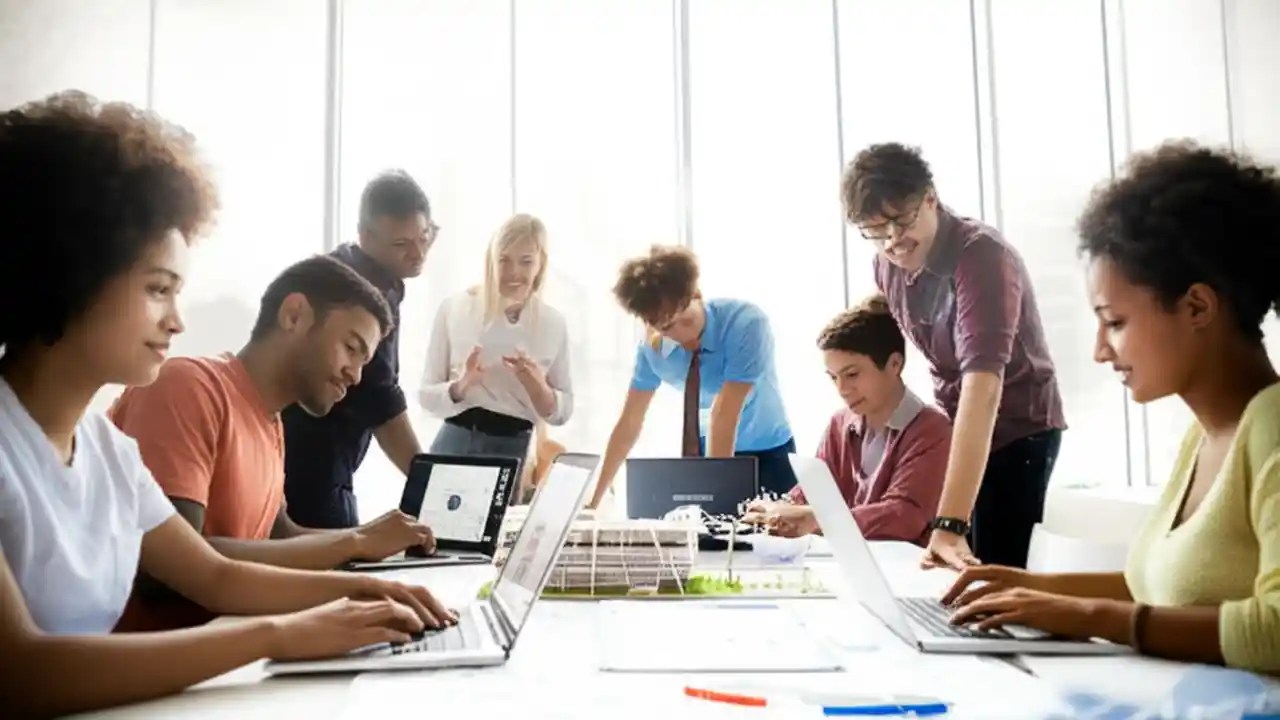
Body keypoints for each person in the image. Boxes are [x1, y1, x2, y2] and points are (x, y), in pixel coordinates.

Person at [0, 91, 454, 718]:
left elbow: (214, 573)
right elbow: (18, 671)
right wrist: (277, 633)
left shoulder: (106, 452)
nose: (177, 320)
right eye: (159, 289)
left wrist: (368, 588)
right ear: (68, 271)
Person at [943, 142, 1280, 675]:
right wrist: (1029, 586)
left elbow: (1275, 628)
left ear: (1197, 306)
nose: (1100, 350)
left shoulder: (1273, 429)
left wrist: (1095, 615)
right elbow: (1165, 591)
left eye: (1115, 322)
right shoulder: (1208, 433)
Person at [109, 256, 441, 630]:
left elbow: (283, 537)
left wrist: (381, 551)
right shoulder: (189, 386)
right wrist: (356, 543)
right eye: (351, 347)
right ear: (294, 315)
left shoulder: (271, 424)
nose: (357, 375)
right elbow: (171, 571)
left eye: (365, 360)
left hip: (228, 655)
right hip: (152, 665)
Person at [842, 143, 1066, 570]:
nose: (893, 242)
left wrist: (950, 522)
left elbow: (982, 391)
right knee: (949, 568)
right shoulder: (886, 266)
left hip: (1018, 429)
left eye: (902, 221)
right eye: (875, 231)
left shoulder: (981, 256)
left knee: (992, 571)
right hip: (959, 424)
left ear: (930, 197)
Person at [283, 170, 436, 529]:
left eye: (424, 238)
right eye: (401, 244)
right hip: (311, 465)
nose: (417, 254)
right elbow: (380, 399)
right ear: (366, 236)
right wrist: (434, 487)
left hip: (319, 462)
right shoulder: (363, 290)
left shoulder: (355, 268)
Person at [587, 245, 795, 509]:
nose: (679, 335)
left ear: (697, 295)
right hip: (710, 451)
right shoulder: (653, 350)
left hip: (770, 452)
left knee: (768, 541)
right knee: (709, 544)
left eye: (683, 321)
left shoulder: (745, 323)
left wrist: (716, 500)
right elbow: (629, 421)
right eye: (665, 328)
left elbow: (725, 412)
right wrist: (594, 501)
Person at [745, 295, 950, 545]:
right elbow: (814, 490)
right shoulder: (840, 423)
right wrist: (776, 510)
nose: (842, 389)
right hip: (853, 564)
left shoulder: (932, 429)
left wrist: (815, 518)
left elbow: (904, 516)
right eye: (833, 377)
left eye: (852, 374)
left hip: (908, 572)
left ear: (895, 364)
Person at [419, 213, 572, 474]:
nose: (514, 273)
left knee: (502, 516)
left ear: (540, 264)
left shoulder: (553, 323)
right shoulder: (455, 308)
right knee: (427, 516)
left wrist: (537, 386)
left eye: (526, 262)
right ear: (491, 260)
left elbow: (562, 411)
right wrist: (461, 386)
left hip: (512, 450)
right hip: (454, 442)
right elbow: (426, 396)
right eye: (504, 260)